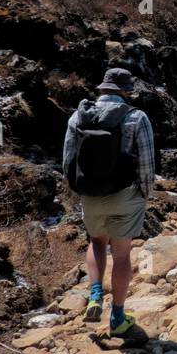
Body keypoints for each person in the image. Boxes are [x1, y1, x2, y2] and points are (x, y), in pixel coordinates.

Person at [62, 67, 155, 336]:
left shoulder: (77, 116)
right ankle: (117, 316)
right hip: (125, 194)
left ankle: (93, 295)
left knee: (96, 241)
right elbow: (147, 164)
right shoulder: (136, 117)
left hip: (90, 193)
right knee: (123, 253)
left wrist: (79, 190)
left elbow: (68, 160)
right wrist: (144, 194)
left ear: (102, 89)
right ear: (126, 91)